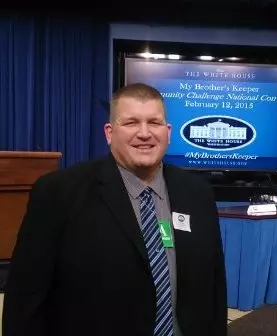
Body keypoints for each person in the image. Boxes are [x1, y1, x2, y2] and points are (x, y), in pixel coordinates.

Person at [2, 83, 228, 336]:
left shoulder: (197, 193)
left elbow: (214, 289)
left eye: (154, 122)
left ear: (168, 132)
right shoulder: (58, 192)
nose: (144, 133)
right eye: (131, 123)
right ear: (109, 133)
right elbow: (25, 297)